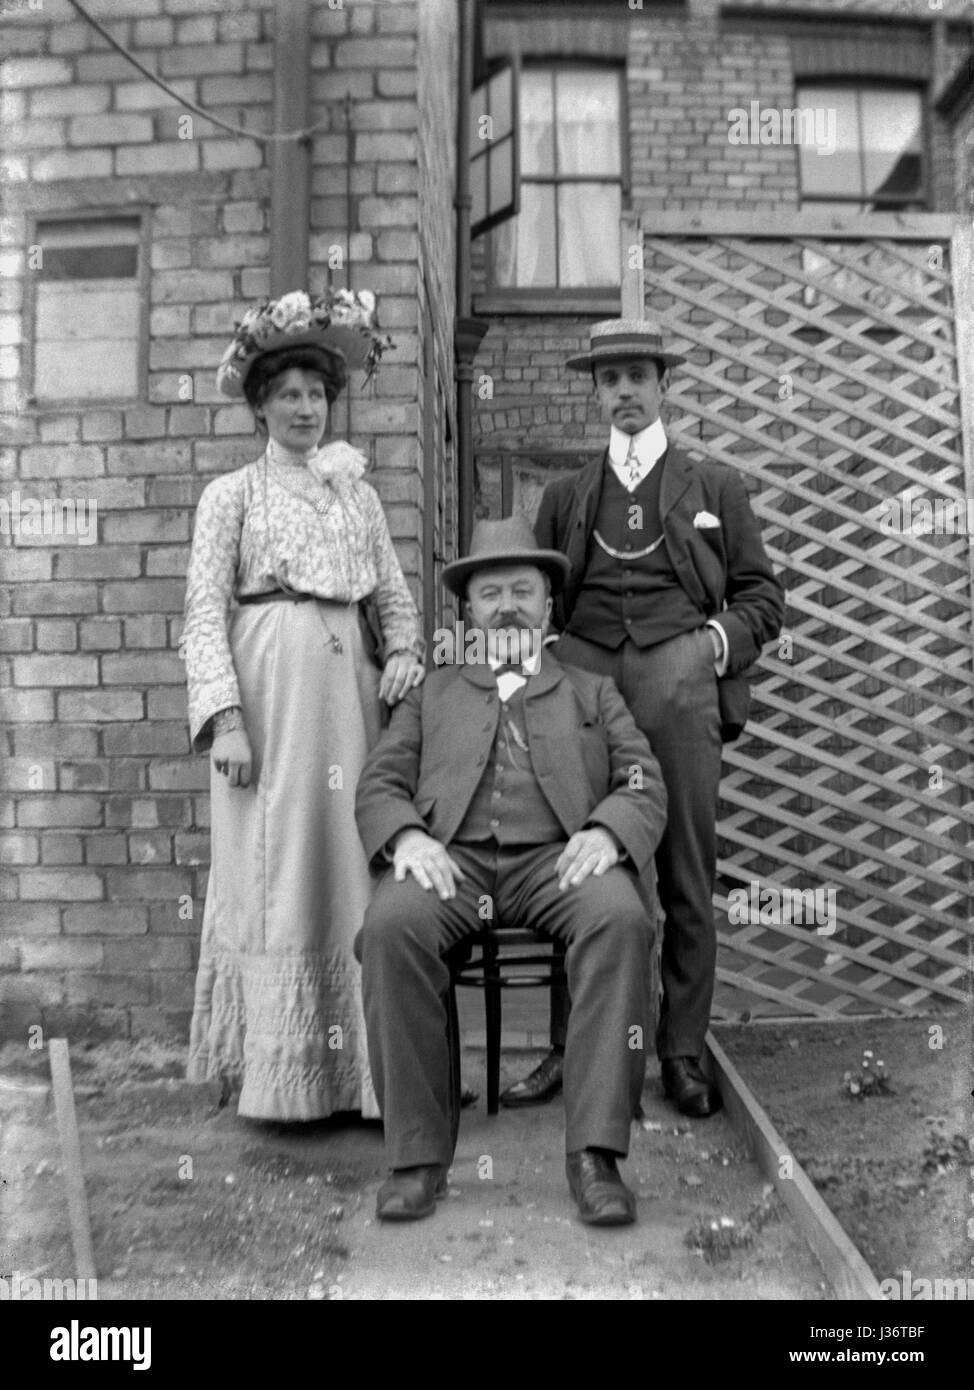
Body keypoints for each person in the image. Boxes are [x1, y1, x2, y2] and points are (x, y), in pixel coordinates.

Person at [502, 318, 786, 1119]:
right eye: (609, 378)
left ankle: (683, 1052)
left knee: (687, 871)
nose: (624, 391)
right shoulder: (565, 497)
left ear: (665, 384)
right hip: (586, 688)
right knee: (575, 860)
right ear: (594, 391)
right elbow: (535, 598)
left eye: (638, 376)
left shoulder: (715, 488)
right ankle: (570, 1046)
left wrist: (707, 650)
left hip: (679, 680)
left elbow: (764, 598)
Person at [354, 517, 667, 1225]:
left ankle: (595, 1156)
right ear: (468, 612)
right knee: (389, 927)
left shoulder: (592, 691)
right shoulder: (432, 693)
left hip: (558, 859)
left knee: (620, 918)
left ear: (548, 605)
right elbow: (379, 782)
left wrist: (609, 832)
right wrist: (405, 838)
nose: (507, 607)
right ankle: (416, 1157)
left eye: (522, 590)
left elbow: (644, 778)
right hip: (452, 862)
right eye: (490, 593)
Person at [183, 288, 424, 1121]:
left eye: (316, 394)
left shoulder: (355, 493)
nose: (303, 409)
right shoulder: (232, 497)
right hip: (269, 707)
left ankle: (362, 1079)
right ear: (258, 407)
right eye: (286, 394)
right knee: (276, 870)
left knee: (349, 864)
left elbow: (392, 594)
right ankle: (280, 1081)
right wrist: (226, 720)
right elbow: (201, 615)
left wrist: (402, 651)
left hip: (348, 704)